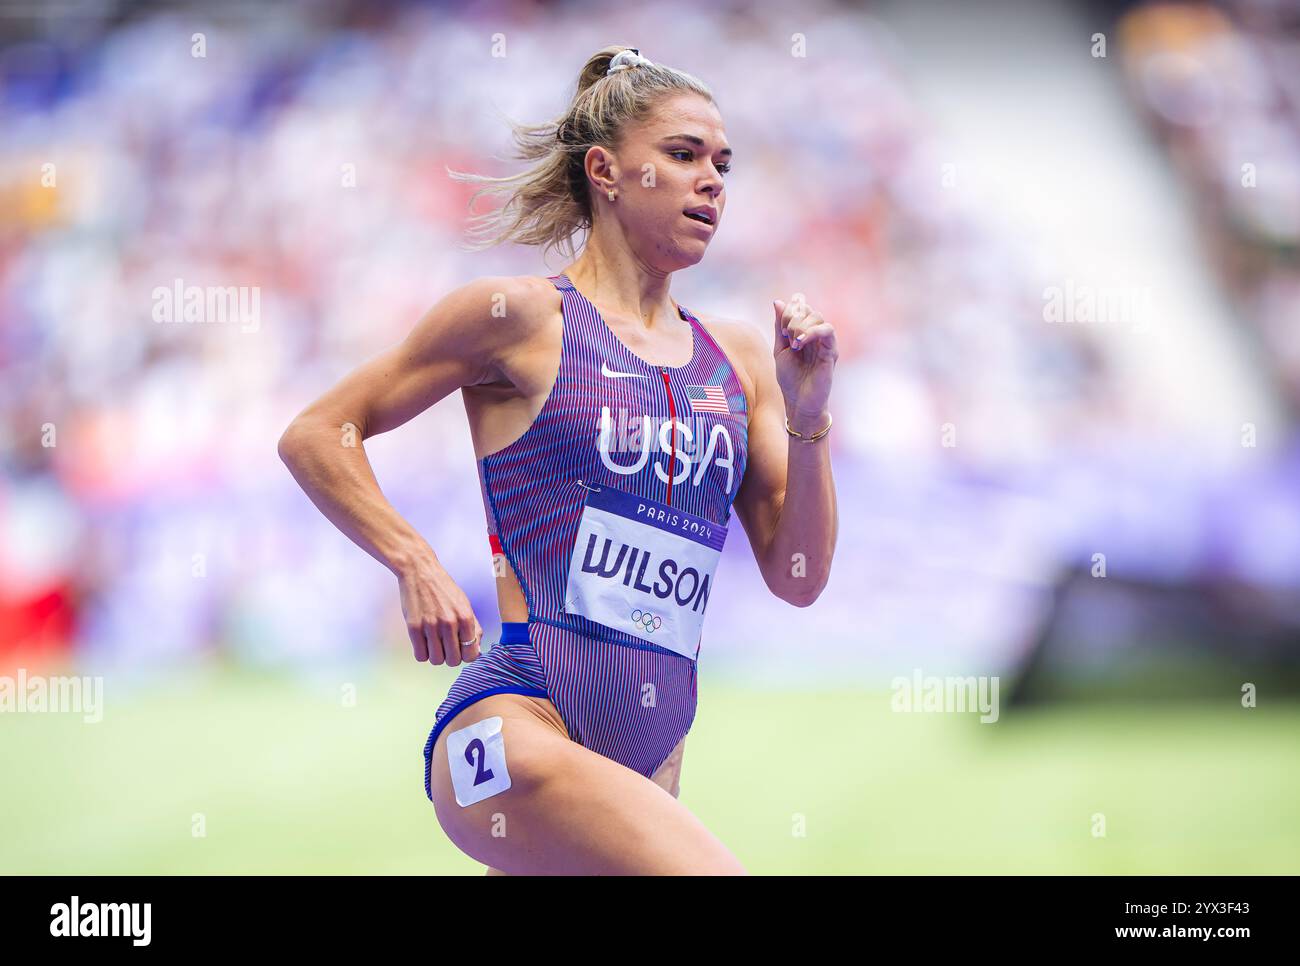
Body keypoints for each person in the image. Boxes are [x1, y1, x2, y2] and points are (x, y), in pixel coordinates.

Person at [278, 46, 838, 875]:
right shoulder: (518, 319)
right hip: (506, 739)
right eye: (683, 156)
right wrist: (414, 560)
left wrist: (811, 413)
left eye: (723, 163)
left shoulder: (745, 358)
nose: (713, 180)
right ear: (607, 171)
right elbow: (319, 432)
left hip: (648, 761)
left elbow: (797, 577)